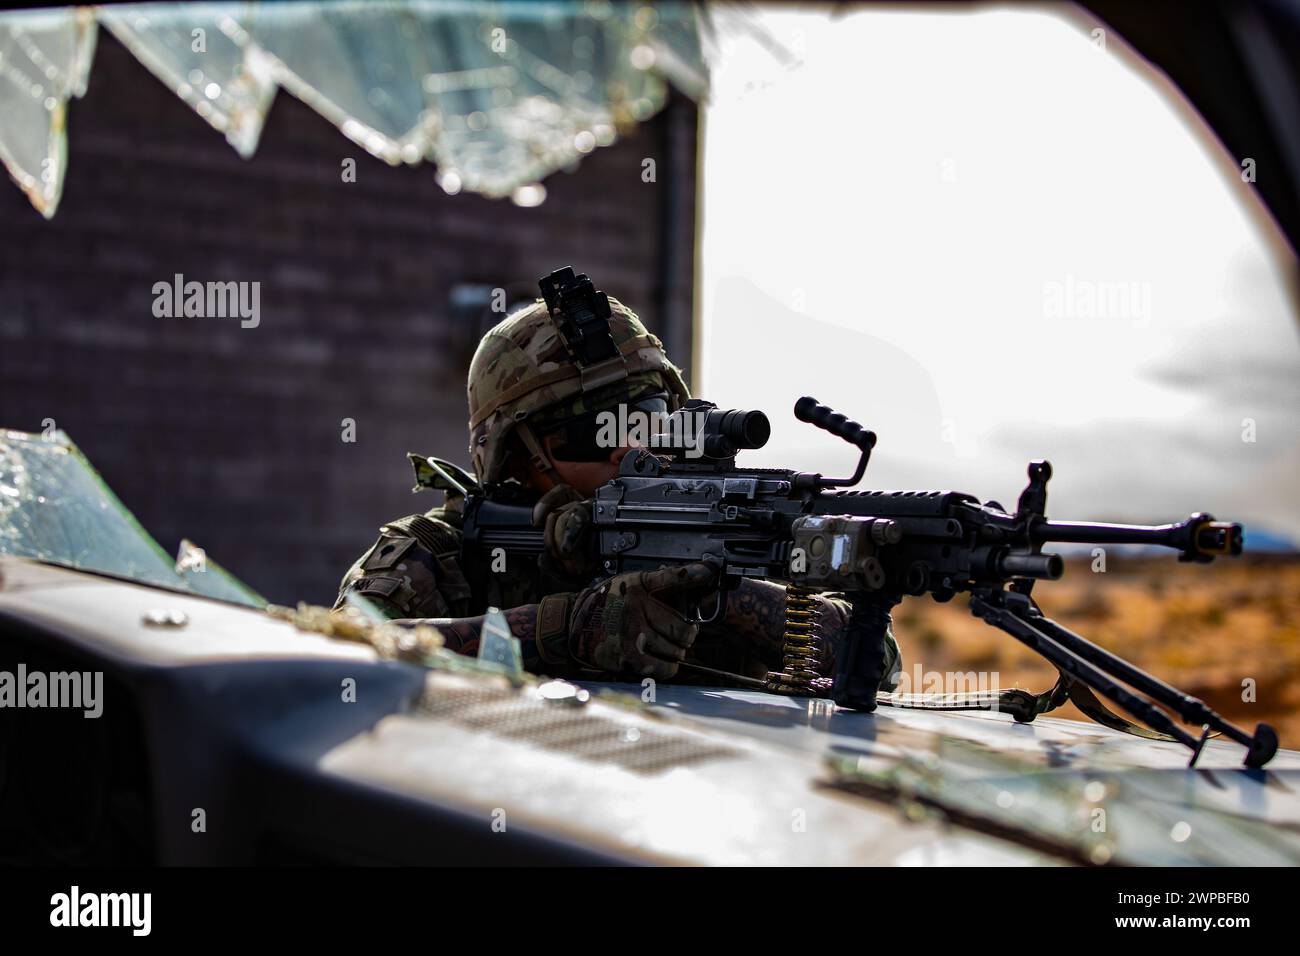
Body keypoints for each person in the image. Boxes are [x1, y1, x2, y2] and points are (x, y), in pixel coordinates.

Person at [334, 267, 900, 687]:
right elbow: (335, 659)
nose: (629, 446)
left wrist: (724, 594)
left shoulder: (731, 522)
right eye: (593, 433)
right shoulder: (442, 555)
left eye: (648, 420)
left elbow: (881, 666)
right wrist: (560, 630)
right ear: (515, 457)